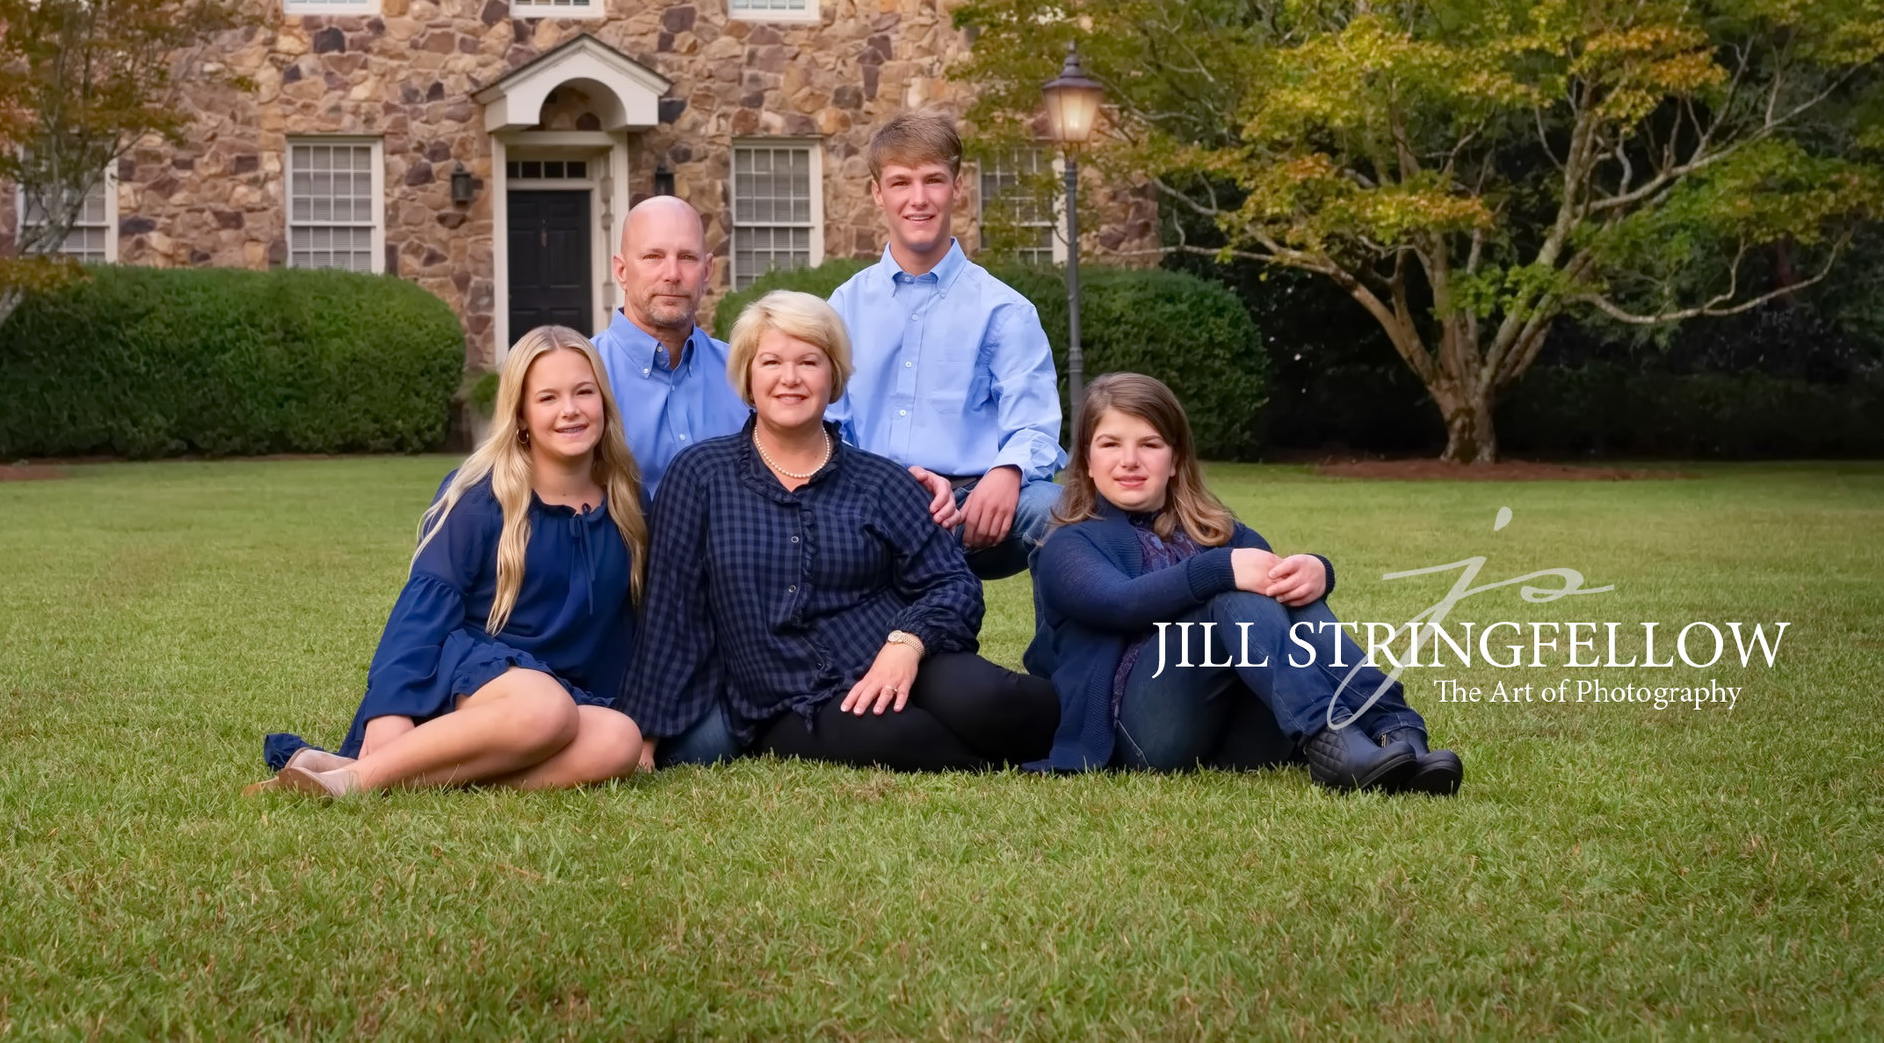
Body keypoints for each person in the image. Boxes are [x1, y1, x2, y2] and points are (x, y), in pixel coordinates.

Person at [617, 289, 1060, 773]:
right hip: (792, 698)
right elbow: (670, 611)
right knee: (898, 737)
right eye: (770, 363)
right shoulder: (700, 475)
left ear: (833, 377)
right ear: (747, 376)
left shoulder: (880, 480)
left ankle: (1096, 718)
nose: (790, 379)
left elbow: (954, 585)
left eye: (809, 361)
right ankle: (1005, 761)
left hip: (902, 654)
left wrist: (906, 645)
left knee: (996, 700)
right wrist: (644, 735)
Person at [1026, 372, 1465, 793]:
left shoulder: (1216, 531)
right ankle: (1330, 738)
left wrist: (1315, 570)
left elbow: (1274, 589)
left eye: (1149, 444)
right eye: (1110, 444)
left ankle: (1398, 731)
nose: (1129, 460)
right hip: (1140, 735)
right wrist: (1221, 569)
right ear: (1085, 458)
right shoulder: (1067, 543)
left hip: (1235, 736)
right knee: (1233, 591)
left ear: (1175, 458)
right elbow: (1118, 602)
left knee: (1277, 588)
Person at [263, 326, 649, 797]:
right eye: (548, 398)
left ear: (604, 403)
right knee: (544, 709)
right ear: (522, 416)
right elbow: (424, 604)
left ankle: (391, 776)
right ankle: (357, 780)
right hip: (476, 683)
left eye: (583, 392)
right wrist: (390, 709)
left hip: (566, 698)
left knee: (618, 740)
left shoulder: (629, 502)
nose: (569, 410)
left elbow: (643, 624)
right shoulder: (482, 496)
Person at [826, 110, 1062, 580]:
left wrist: (1007, 473)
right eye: (900, 183)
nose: (919, 199)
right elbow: (827, 423)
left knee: (1059, 512)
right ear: (877, 193)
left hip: (970, 507)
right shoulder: (843, 307)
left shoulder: (1005, 310)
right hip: (868, 502)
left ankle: (1061, 655)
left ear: (957, 187)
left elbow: (1035, 428)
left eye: (934, 180)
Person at [592, 195, 752, 488]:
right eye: (653, 257)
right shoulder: (585, 375)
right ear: (621, 271)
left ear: (707, 272)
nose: (672, 275)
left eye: (687, 258)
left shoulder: (745, 373)